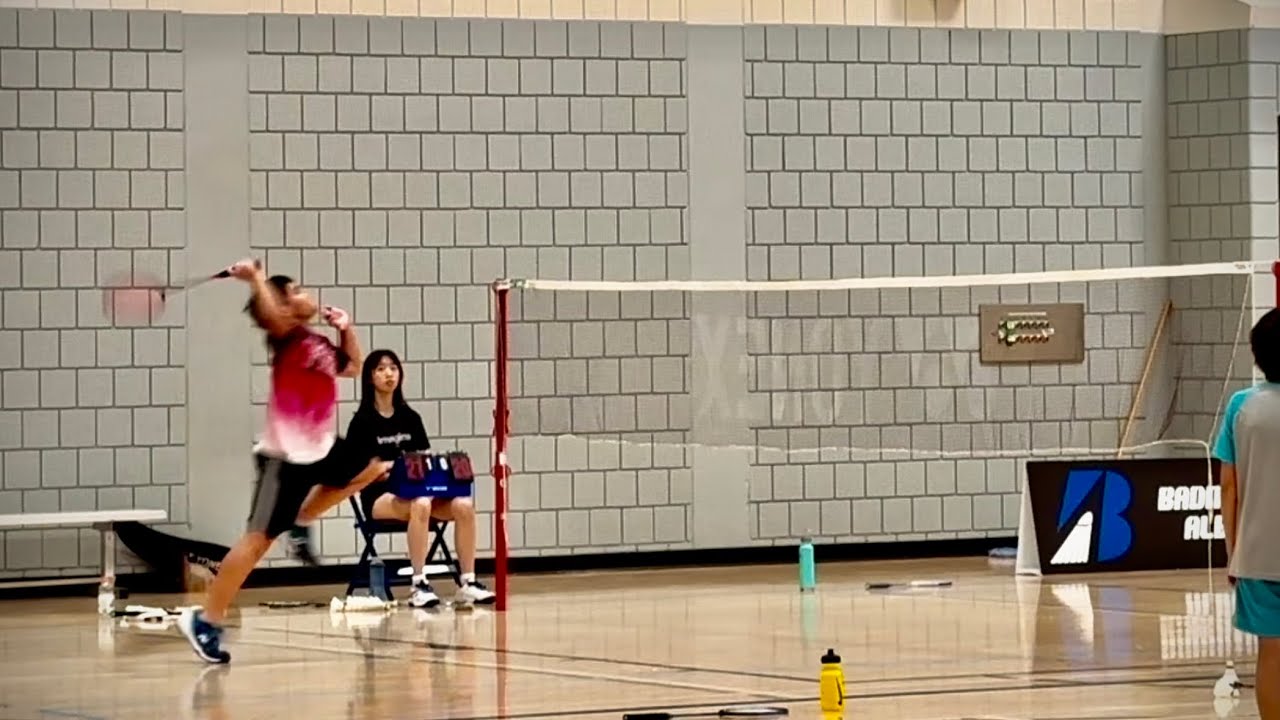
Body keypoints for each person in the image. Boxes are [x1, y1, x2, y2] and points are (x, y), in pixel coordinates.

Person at [179, 261, 393, 664]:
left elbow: (353, 366)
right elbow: (270, 315)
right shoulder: (287, 338)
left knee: (372, 466)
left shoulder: (315, 342)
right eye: (297, 290)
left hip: (322, 447)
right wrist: (256, 279)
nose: (307, 293)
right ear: (281, 305)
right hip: (285, 459)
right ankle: (205, 620)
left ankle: (302, 518)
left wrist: (345, 328)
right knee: (257, 543)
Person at [347, 349, 495, 608]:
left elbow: (424, 459)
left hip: (418, 490)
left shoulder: (411, 418)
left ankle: (468, 582)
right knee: (421, 504)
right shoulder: (361, 422)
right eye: (380, 369)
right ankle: (418, 584)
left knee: (464, 505)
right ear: (370, 378)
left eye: (393, 368)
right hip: (379, 497)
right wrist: (390, 467)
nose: (388, 374)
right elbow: (354, 472)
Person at [1213, 307, 1280, 720]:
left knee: (1271, 653)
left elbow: (1228, 486)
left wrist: (1232, 549)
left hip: (1257, 556)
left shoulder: (1241, 406)